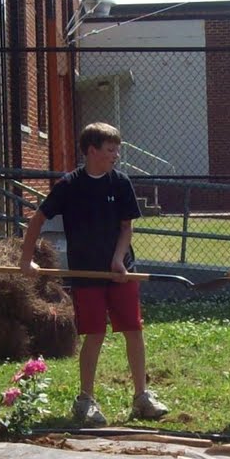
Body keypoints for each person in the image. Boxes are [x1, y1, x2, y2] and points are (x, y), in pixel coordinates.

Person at [19, 122, 169, 426]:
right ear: (92, 150)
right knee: (94, 334)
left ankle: (142, 397)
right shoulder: (69, 186)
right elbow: (36, 221)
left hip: (121, 271)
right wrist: (26, 260)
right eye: (110, 149)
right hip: (86, 274)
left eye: (117, 149)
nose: (115, 155)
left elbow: (127, 227)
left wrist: (117, 260)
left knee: (133, 331)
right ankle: (85, 400)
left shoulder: (120, 183)